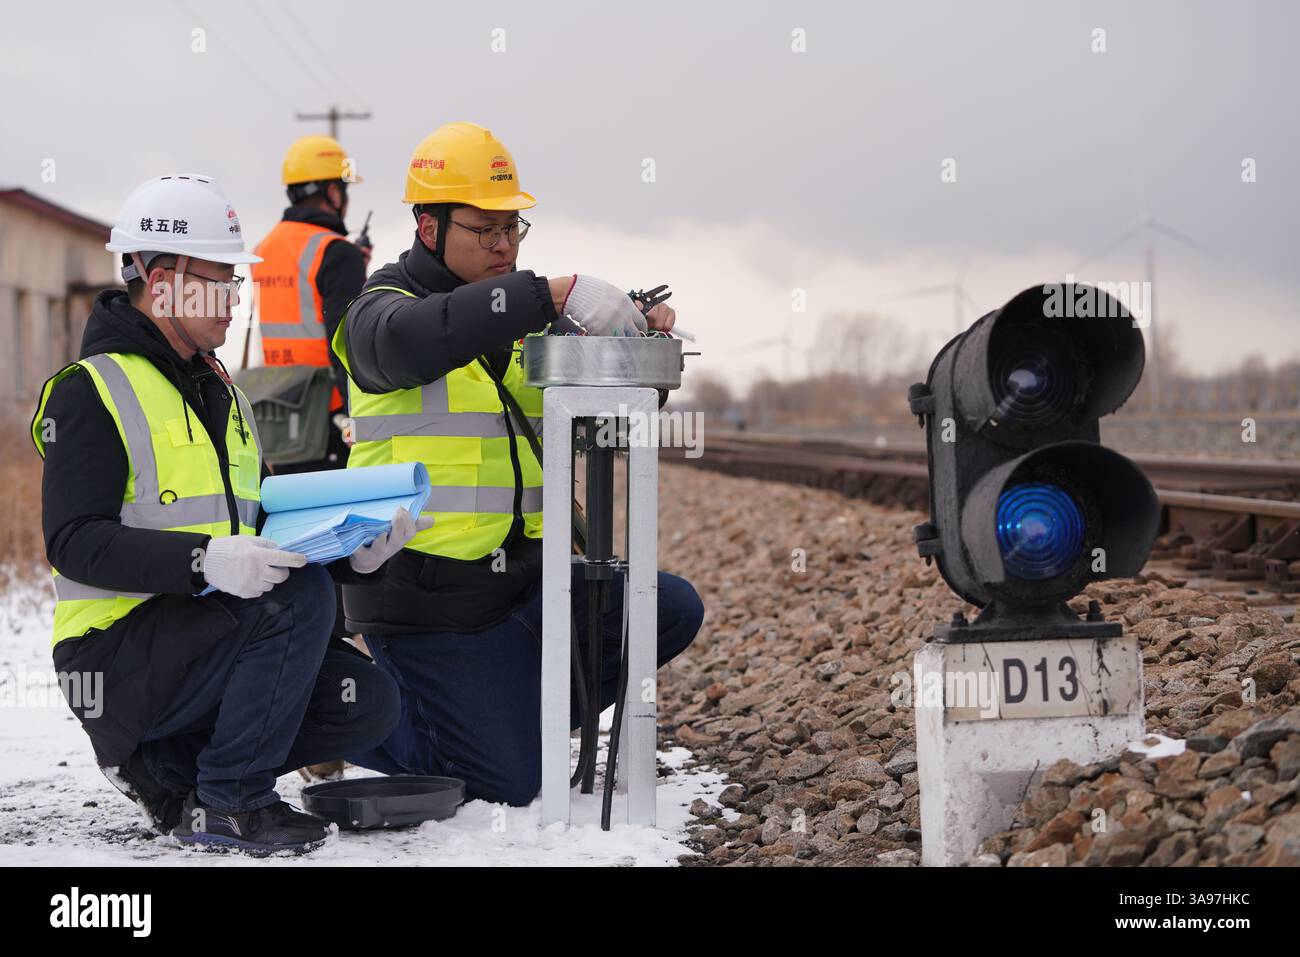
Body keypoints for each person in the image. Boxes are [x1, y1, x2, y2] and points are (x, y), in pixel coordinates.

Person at [31, 174, 424, 855]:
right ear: (160, 279)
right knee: (291, 598)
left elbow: (259, 536)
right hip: (114, 657)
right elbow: (72, 540)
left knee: (366, 697)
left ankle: (174, 768)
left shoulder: (226, 396)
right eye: (219, 279)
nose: (233, 300)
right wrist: (202, 559)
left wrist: (352, 557)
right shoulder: (91, 390)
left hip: (198, 641)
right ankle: (231, 802)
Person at [333, 122, 704, 807]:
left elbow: (602, 415)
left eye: (514, 228)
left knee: (669, 606)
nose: (505, 245)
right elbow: (420, 339)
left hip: (523, 591)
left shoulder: (516, 328)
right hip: (428, 607)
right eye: (486, 229)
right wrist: (553, 292)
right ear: (428, 225)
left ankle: (501, 722)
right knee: (507, 783)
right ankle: (330, 721)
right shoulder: (378, 312)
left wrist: (636, 346)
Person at [252, 134, 370, 472]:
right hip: (329, 413)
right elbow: (346, 344)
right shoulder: (335, 252)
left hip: (279, 407)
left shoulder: (264, 248)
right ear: (332, 192)